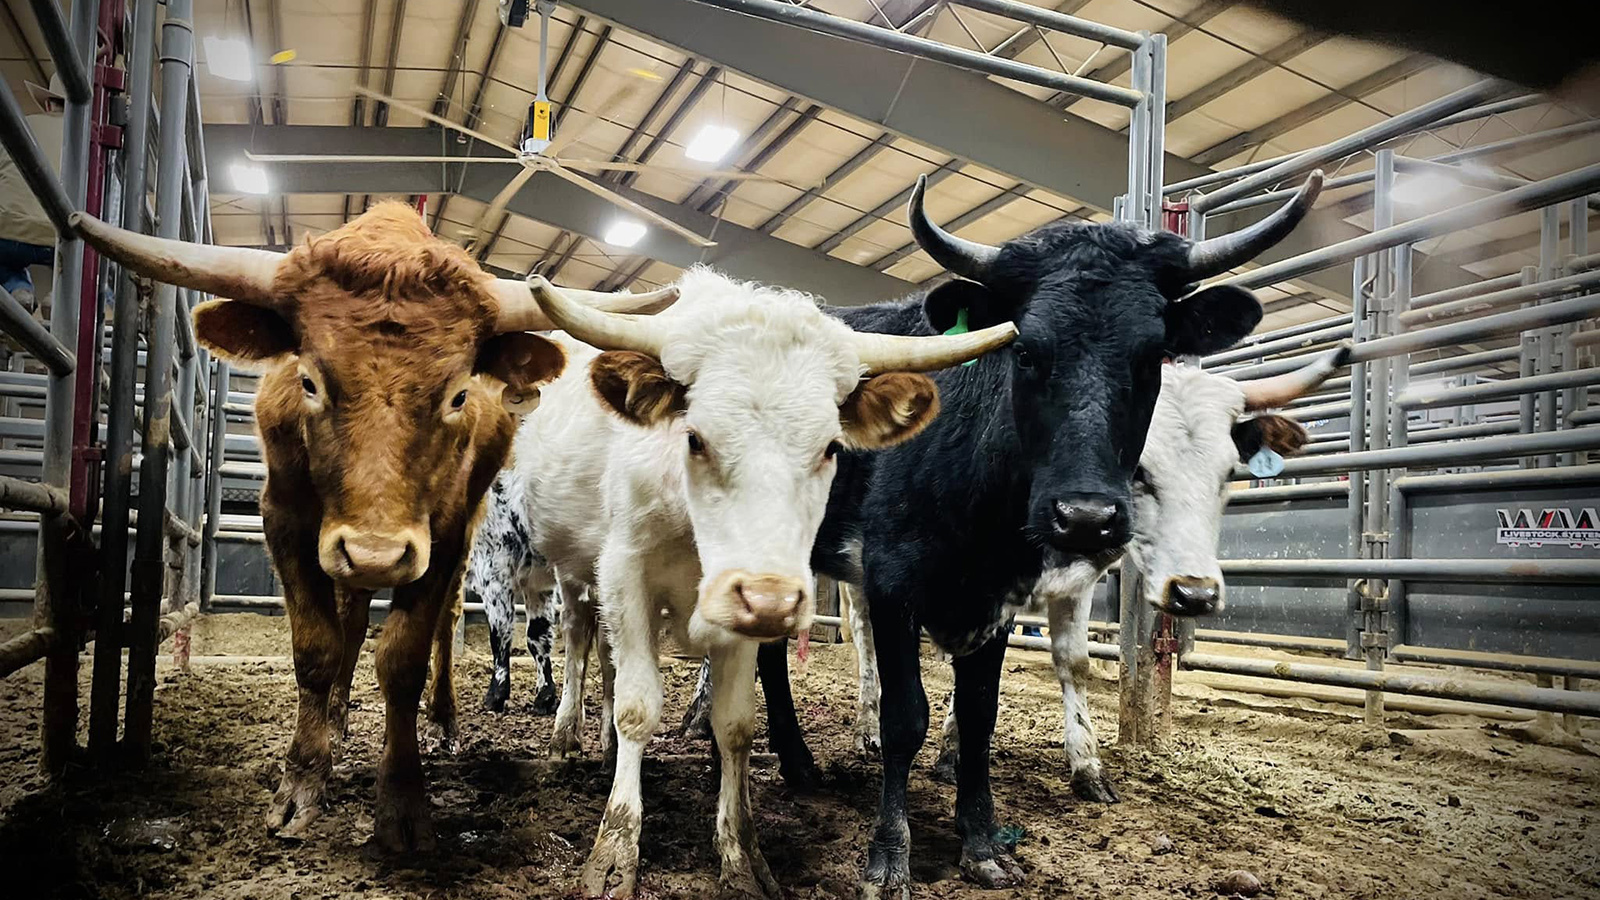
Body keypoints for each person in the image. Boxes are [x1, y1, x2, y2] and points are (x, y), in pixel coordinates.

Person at [0, 75, 66, 313]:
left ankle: (17, 289)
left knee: (4, 264)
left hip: (8, 231)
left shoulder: (20, 125)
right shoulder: (87, 139)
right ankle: (59, 296)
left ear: (48, 104)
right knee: (75, 267)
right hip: (60, 236)